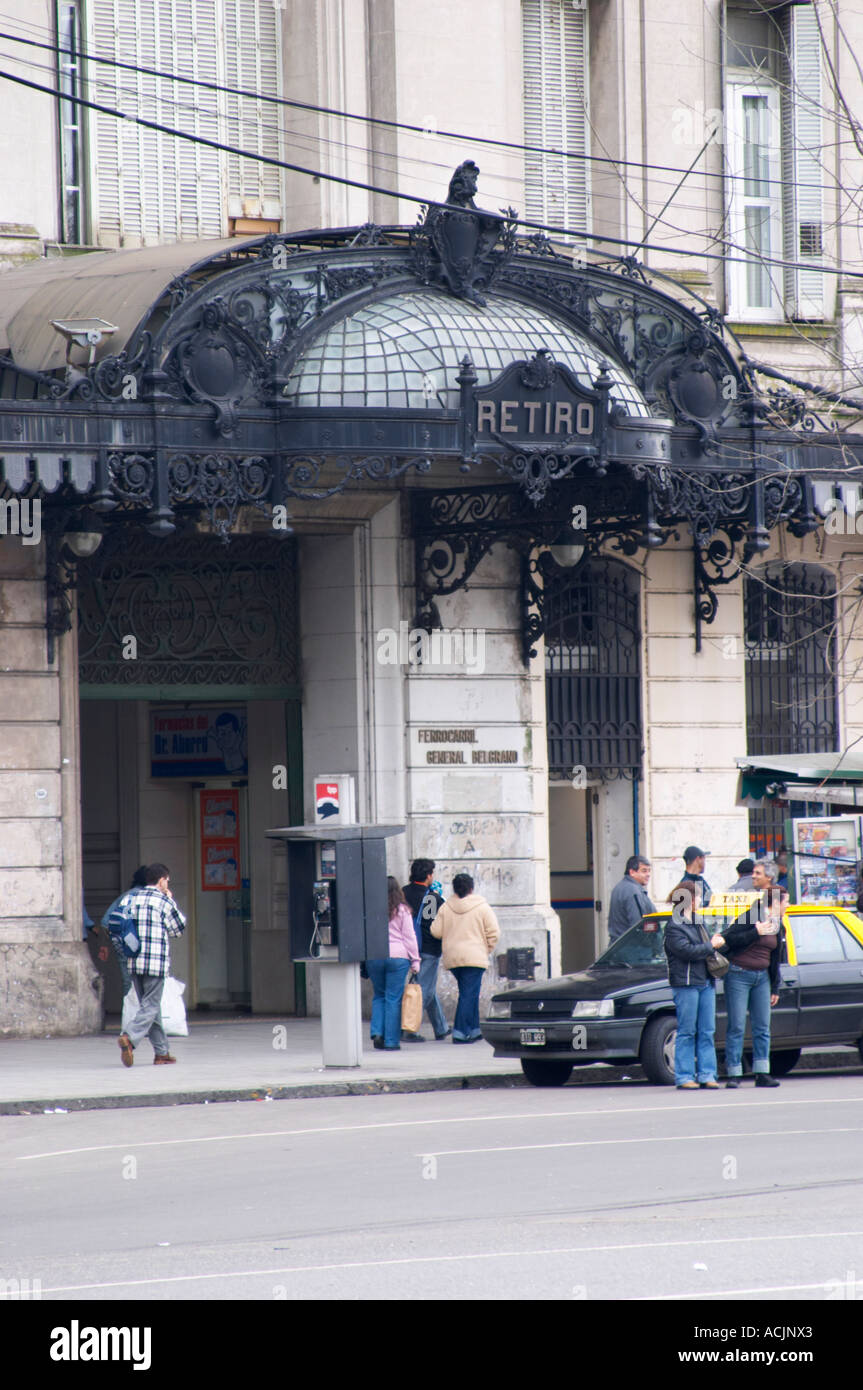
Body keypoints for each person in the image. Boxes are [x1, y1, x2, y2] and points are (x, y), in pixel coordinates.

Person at [720, 859, 784, 1089]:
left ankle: (762, 1072)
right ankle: (734, 1073)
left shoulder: (779, 923)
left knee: (762, 1026)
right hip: (739, 973)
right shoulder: (753, 913)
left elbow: (776, 957)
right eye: (784, 902)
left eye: (758, 873)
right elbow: (729, 938)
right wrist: (755, 932)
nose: (786, 906)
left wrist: (775, 986)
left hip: (762, 978)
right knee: (737, 1025)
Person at [117, 864, 186, 1068]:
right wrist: (171, 899)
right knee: (151, 1005)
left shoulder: (132, 898)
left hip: (134, 960)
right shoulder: (163, 900)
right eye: (167, 880)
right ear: (161, 880)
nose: (167, 883)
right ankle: (129, 1038)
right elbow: (178, 929)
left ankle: (161, 1053)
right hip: (155, 961)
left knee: (149, 1007)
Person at [664, 882, 726, 1089]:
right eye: (698, 897)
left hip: (705, 981)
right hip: (686, 984)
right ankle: (684, 1076)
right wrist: (711, 945)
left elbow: (701, 948)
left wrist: (711, 944)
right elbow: (686, 951)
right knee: (687, 1030)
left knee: (707, 1030)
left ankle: (708, 1074)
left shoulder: (698, 922)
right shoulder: (674, 925)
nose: (700, 900)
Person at [431, 872, 500, 1043]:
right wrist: (486, 949)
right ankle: (460, 1032)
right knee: (468, 994)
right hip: (475, 956)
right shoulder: (482, 907)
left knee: (469, 992)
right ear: (471, 888)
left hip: (453, 958)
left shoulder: (446, 907)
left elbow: (435, 931)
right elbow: (494, 933)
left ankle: (475, 1029)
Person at [366, 877, 421, 1051]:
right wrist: (415, 960)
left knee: (379, 995)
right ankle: (391, 1041)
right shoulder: (402, 911)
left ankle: (377, 1032)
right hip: (398, 957)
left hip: (374, 956)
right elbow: (409, 937)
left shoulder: (371, 910)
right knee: (393, 999)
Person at [402, 859, 451, 1041]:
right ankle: (410, 1029)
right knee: (424, 990)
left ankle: (441, 1027)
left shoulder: (404, 892)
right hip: (428, 948)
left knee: (425, 987)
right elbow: (433, 924)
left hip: (407, 947)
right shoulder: (431, 897)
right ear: (428, 875)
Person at [102, 865, 149, 1003]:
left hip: (124, 944)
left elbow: (106, 922)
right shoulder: (146, 896)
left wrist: (112, 943)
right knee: (149, 984)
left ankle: (130, 1016)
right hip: (143, 945)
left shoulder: (127, 895)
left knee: (129, 983)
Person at [607, 855, 655, 942]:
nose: (648, 875)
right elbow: (638, 925)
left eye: (649, 871)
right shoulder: (633, 892)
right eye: (644, 871)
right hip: (632, 949)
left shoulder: (619, 887)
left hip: (618, 946)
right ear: (632, 872)